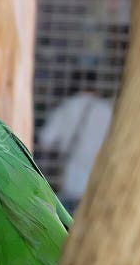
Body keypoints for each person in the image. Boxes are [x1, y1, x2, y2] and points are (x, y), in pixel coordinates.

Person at [38, 70, 113, 214]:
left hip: (70, 182)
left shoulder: (67, 107)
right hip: (99, 183)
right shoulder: (107, 111)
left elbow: (45, 140)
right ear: (97, 86)